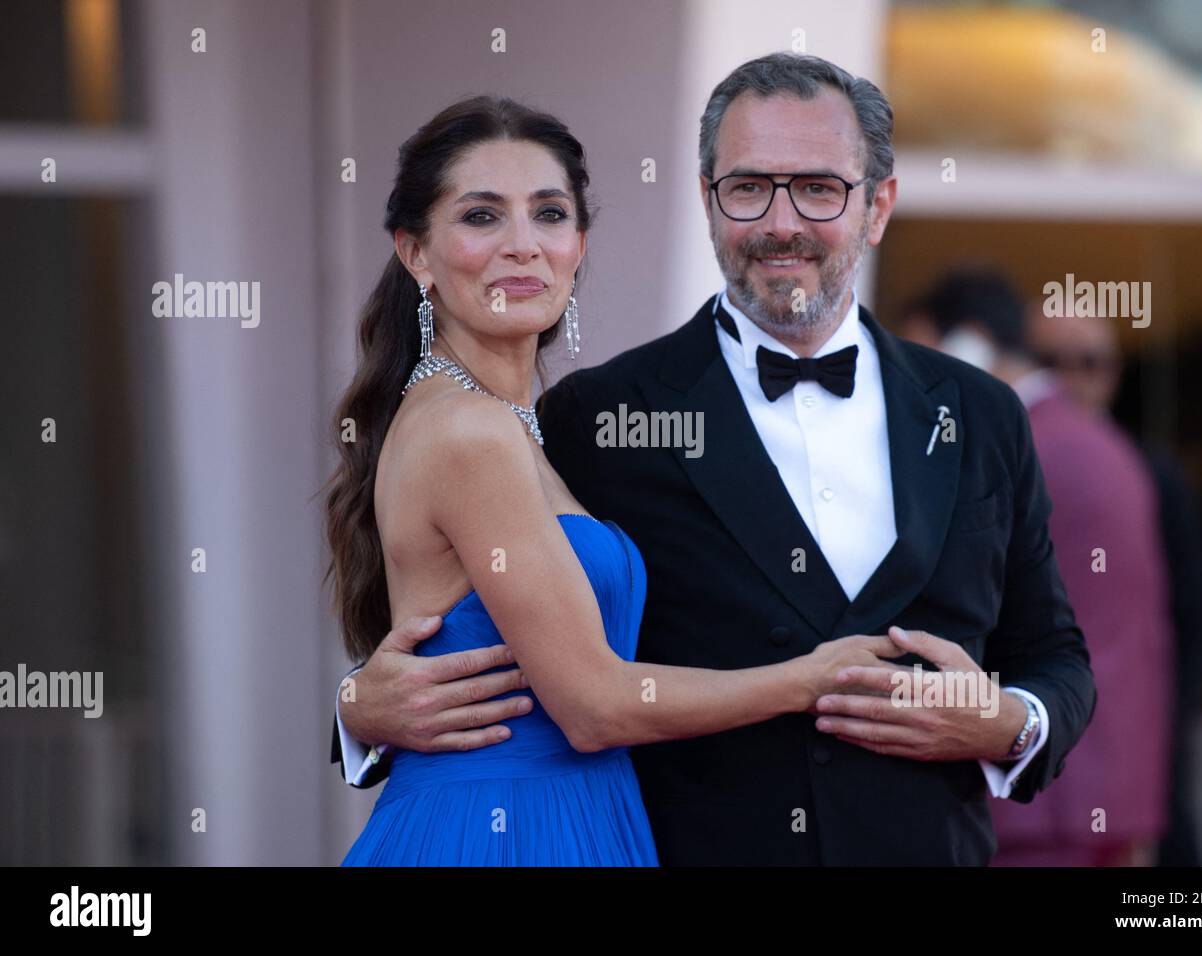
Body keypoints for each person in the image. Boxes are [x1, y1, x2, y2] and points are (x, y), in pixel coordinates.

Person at [333, 53, 1097, 866]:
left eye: (818, 188)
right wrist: (357, 712)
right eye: (748, 187)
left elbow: (1054, 653)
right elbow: (473, 626)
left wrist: (1012, 723)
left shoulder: (982, 414)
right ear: (706, 200)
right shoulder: (597, 416)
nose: (781, 223)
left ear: (878, 207)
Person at [323, 95, 890, 866]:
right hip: (506, 832)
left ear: (579, 244)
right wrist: (813, 677)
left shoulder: (543, 423)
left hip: (580, 813)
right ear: (416, 252)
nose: (522, 246)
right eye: (482, 217)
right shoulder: (468, 430)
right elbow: (591, 706)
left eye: (549, 215)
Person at [907, 268, 1173, 865]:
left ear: (967, 344)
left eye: (915, 354)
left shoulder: (1015, 442)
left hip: (1039, 787)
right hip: (1098, 779)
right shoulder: (1099, 440)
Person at [1027, 302, 1202, 866]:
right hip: (1050, 732)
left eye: (1090, 362)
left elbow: (1190, 610)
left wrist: (1171, 710)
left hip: (1135, 716)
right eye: (1051, 361)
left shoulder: (1147, 471)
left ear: (1113, 373)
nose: (1071, 378)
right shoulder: (1020, 457)